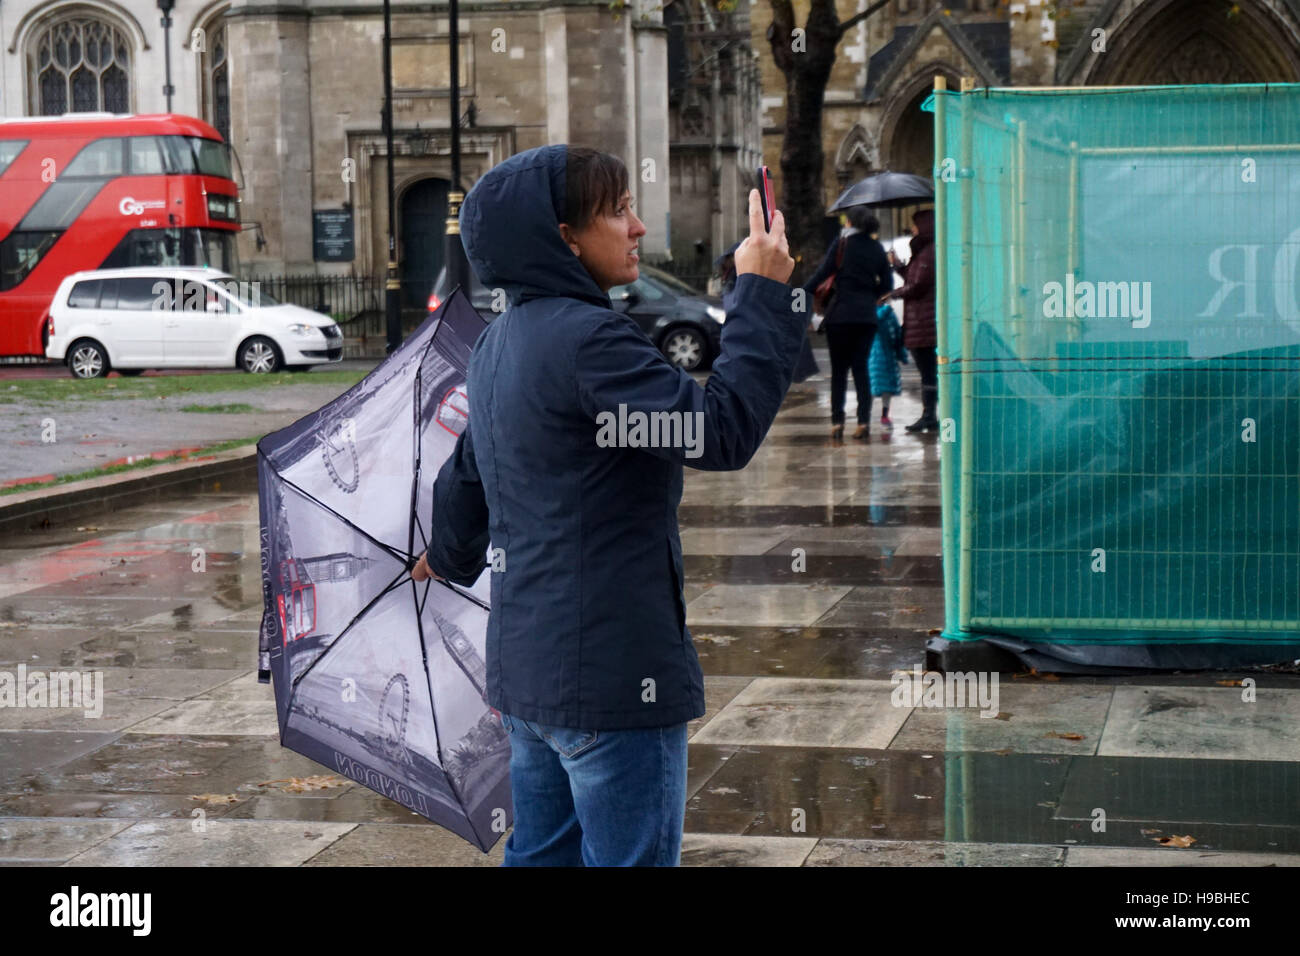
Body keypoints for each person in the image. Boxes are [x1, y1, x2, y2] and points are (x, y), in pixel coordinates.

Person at [410, 145, 801, 866]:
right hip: (614, 679)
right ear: (564, 236)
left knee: (540, 858)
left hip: (529, 677)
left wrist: (449, 556)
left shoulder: (499, 343)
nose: (638, 227)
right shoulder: (589, 338)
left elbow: (464, 478)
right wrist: (762, 295)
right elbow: (718, 433)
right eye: (618, 210)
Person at [801, 206, 892, 441]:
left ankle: (837, 423)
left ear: (850, 223)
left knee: (839, 372)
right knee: (861, 370)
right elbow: (887, 285)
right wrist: (870, 294)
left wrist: (800, 294)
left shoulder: (841, 244)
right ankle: (863, 422)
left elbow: (822, 273)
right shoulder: (876, 248)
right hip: (866, 318)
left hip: (840, 316)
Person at [881, 208, 938, 432]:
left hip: (924, 321)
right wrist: (898, 266)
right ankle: (929, 414)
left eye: (916, 225)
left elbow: (918, 285)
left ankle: (929, 415)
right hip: (918, 319)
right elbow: (914, 278)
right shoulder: (922, 251)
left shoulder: (930, 252)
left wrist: (894, 294)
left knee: (928, 371)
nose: (913, 229)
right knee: (927, 372)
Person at [868, 300, 908, 430]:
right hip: (883, 356)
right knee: (884, 389)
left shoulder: (868, 311)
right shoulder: (888, 314)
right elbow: (897, 336)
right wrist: (902, 355)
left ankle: (866, 416)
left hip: (873, 356)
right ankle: (882, 415)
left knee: (873, 388)